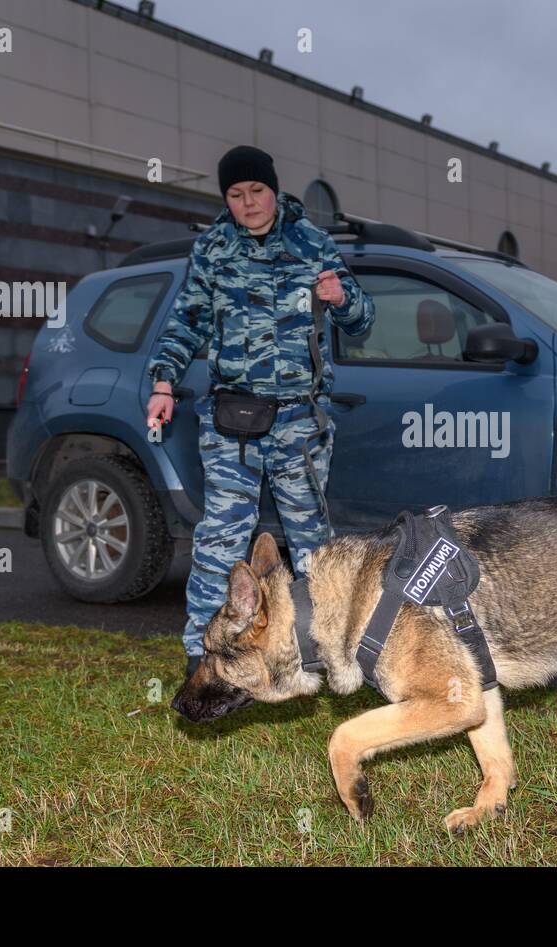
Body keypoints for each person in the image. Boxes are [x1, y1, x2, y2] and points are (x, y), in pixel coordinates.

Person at [144, 145, 375, 676]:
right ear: (226, 198)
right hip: (232, 423)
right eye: (235, 194)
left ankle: (321, 656)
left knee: (313, 543)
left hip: (298, 420)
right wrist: (162, 384)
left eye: (256, 191)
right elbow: (186, 322)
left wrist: (342, 298)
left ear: (274, 189)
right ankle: (203, 658)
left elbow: (363, 321)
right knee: (220, 539)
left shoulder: (313, 244)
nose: (248, 203)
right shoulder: (212, 248)